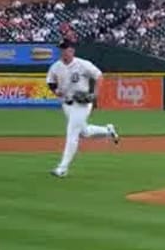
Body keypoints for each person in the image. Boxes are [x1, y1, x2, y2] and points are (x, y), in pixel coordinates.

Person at [45, 39, 119, 177]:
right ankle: (108, 130)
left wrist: (95, 94)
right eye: (61, 49)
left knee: (72, 133)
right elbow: (50, 82)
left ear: (72, 50)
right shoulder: (56, 66)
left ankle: (63, 168)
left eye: (65, 49)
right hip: (67, 104)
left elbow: (99, 76)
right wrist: (56, 92)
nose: (62, 51)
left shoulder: (82, 64)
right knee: (83, 132)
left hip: (82, 104)